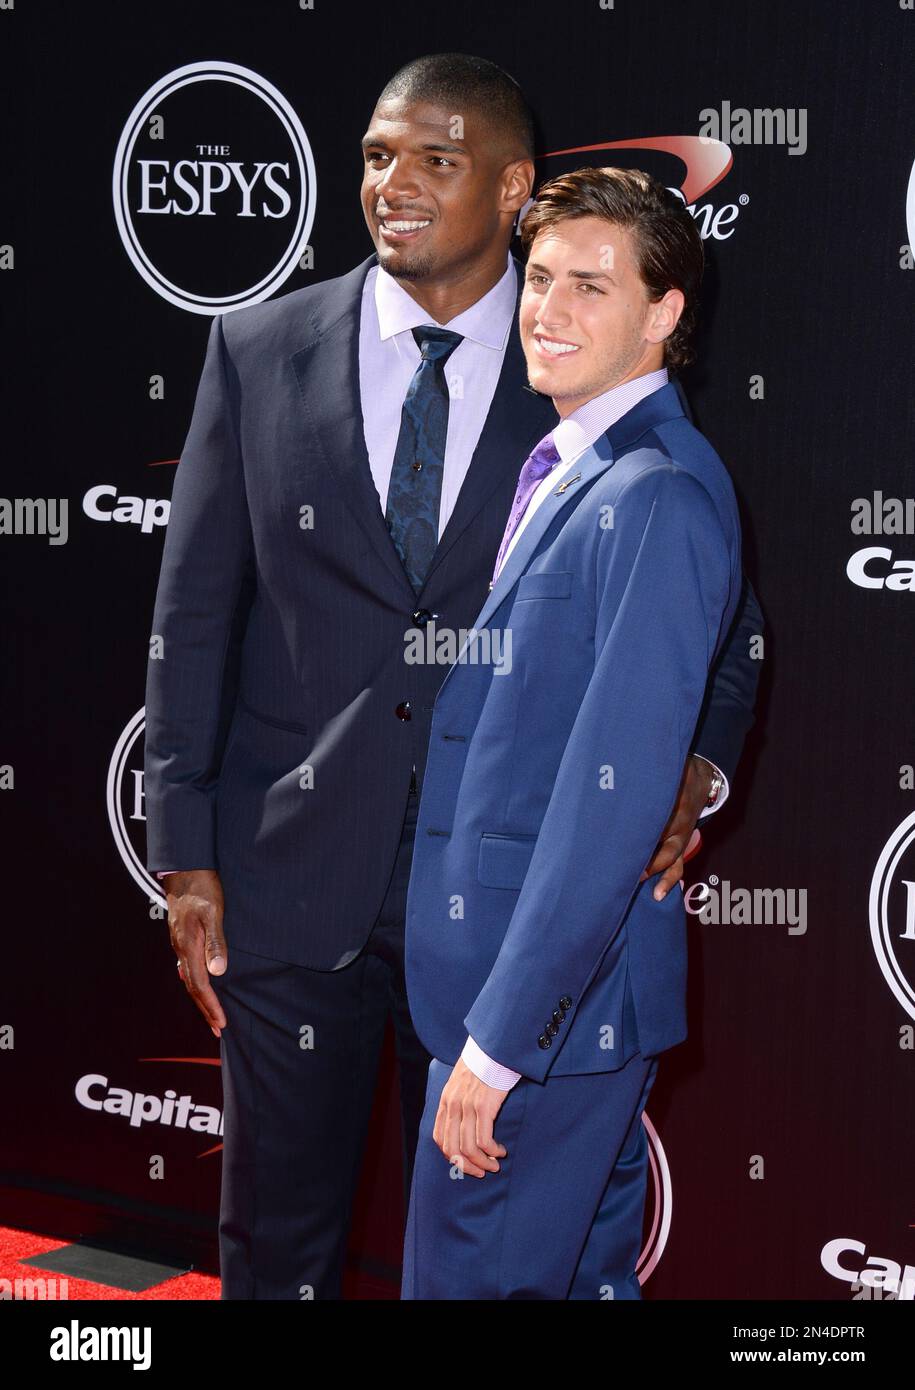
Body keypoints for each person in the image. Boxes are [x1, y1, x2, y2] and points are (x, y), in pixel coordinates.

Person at [144, 54, 761, 1300]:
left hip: (509, 901)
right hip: (293, 878)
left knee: (501, 1247)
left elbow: (716, 620)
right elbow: (193, 609)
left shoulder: (586, 383)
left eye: (438, 156)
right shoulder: (259, 347)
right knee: (278, 1240)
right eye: (378, 156)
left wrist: (689, 774)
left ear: (514, 182)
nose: (397, 184)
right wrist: (184, 842)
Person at [401, 164, 743, 1300]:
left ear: (665, 313)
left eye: (590, 287)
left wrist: (497, 1046)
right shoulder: (582, 462)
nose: (546, 311)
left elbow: (607, 807)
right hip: (556, 1012)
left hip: (540, 1019)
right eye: (539, 278)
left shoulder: (655, 492)